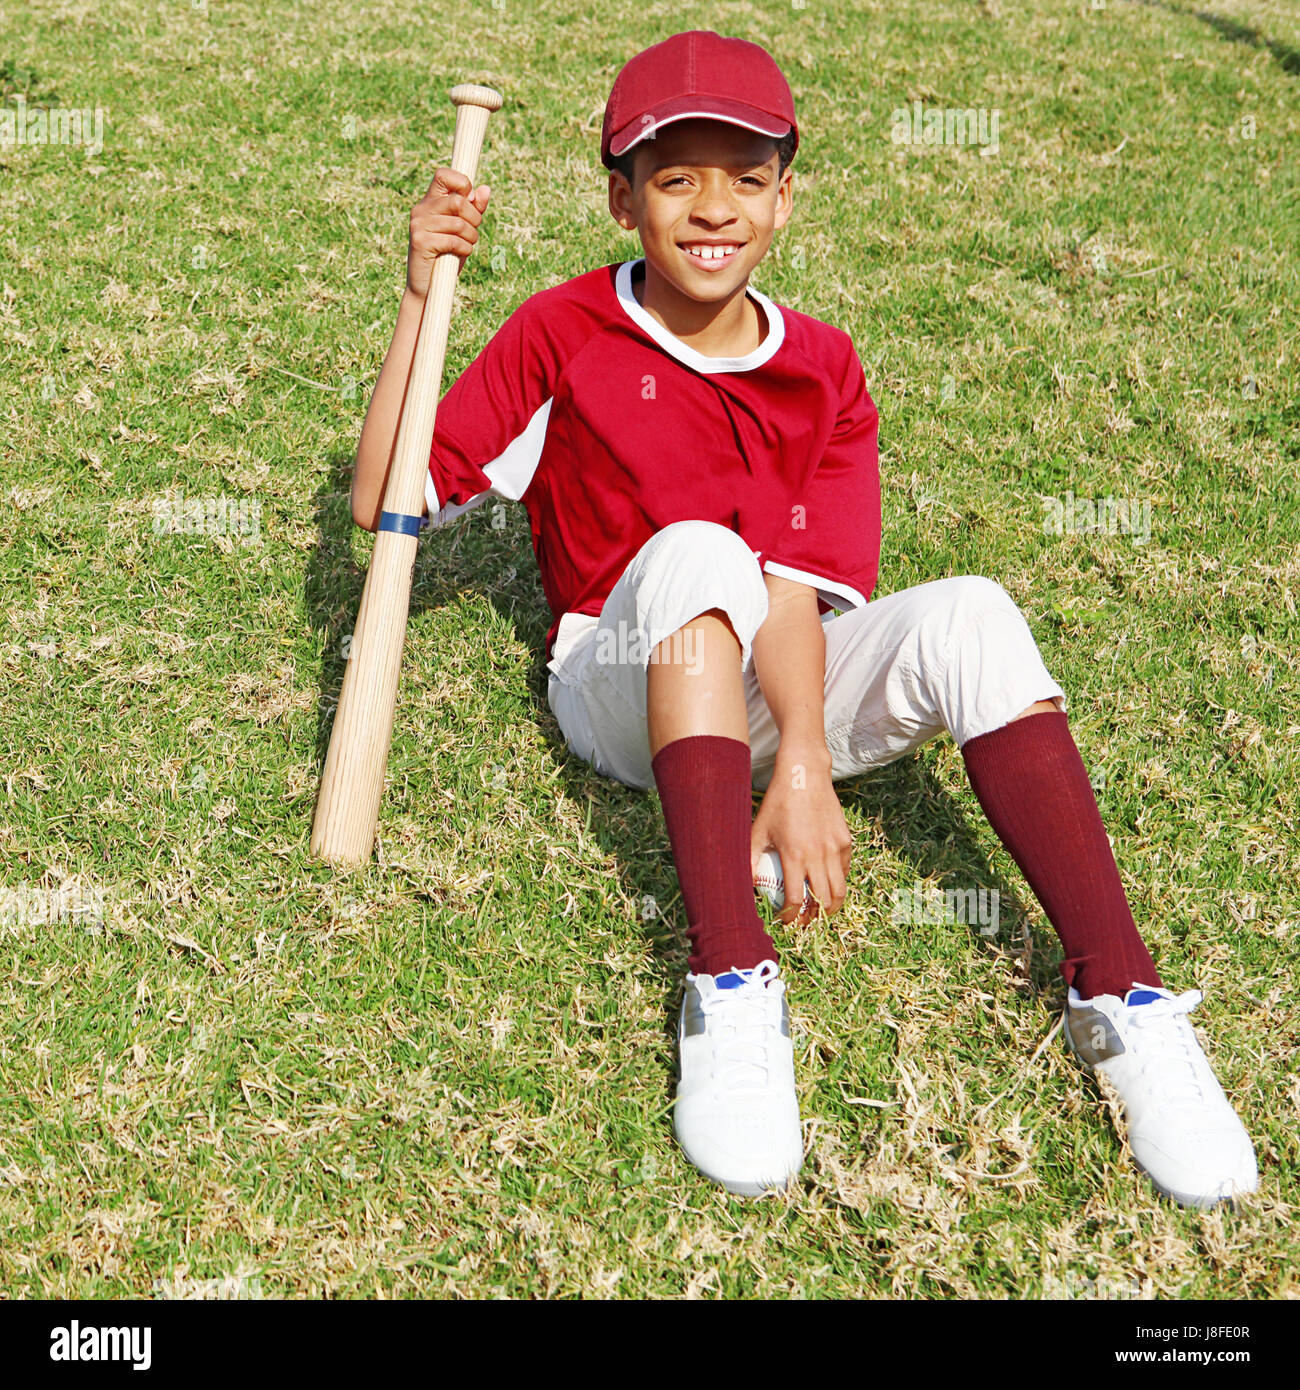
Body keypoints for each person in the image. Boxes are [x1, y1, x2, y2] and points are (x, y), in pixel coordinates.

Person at [350, 30, 1258, 1208]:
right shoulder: (562, 332)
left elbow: (797, 585)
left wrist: (809, 762)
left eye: (744, 176)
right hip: (621, 682)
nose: (710, 208)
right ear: (621, 200)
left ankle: (1122, 1000)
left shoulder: (823, 364)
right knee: (694, 552)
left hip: (765, 673)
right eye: (673, 179)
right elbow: (388, 500)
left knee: (972, 612)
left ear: (787, 197)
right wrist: (422, 294)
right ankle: (730, 977)